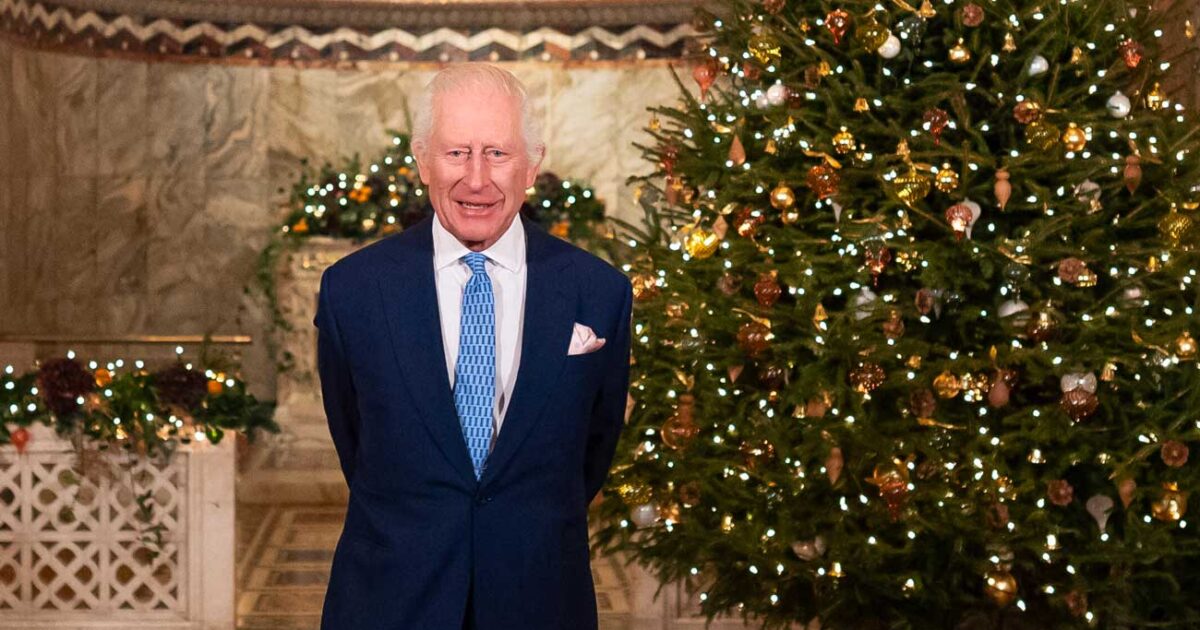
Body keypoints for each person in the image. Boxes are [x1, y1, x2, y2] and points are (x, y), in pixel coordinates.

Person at [313, 63, 633, 630]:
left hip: (539, 599)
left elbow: (593, 449)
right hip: (391, 600)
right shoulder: (354, 291)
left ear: (533, 163)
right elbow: (356, 439)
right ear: (422, 161)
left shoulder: (599, 292)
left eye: (498, 154)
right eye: (457, 153)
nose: (477, 179)